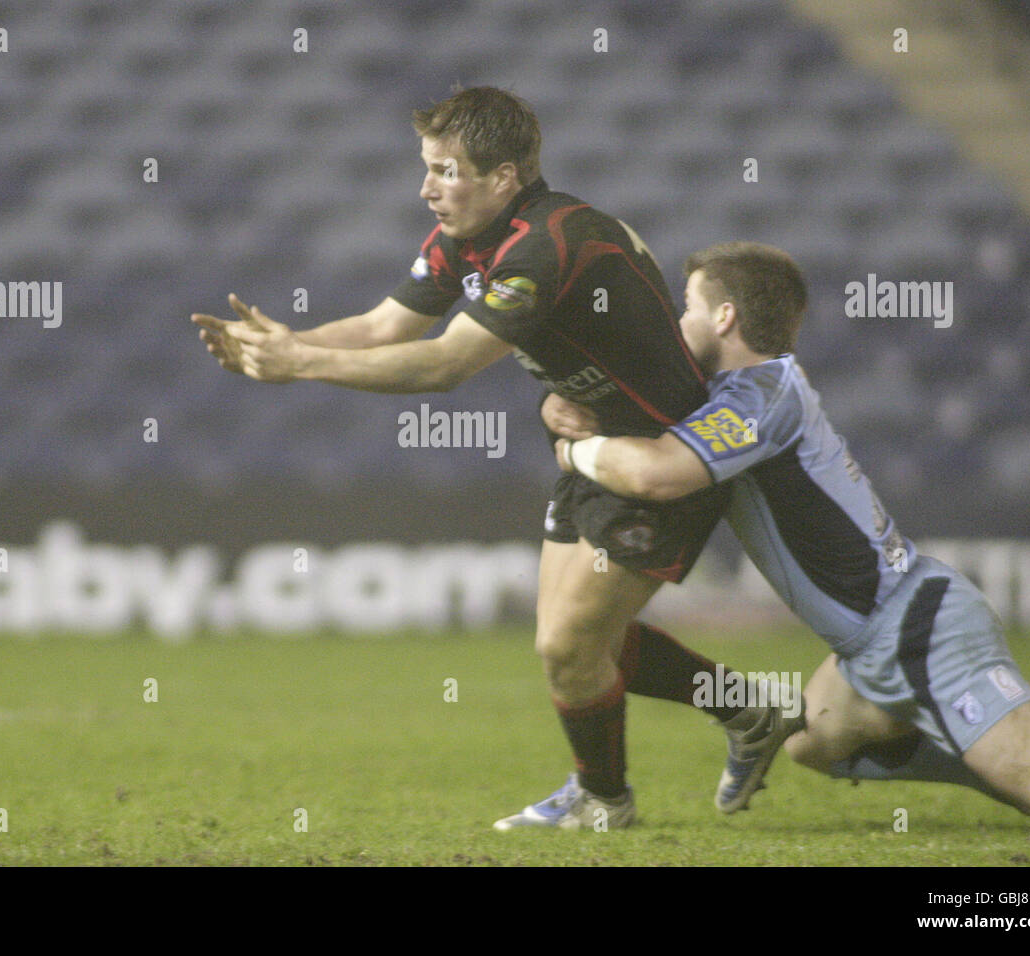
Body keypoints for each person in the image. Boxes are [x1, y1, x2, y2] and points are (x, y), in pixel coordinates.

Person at [192, 87, 783, 830]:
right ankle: (750, 712)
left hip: (666, 459)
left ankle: (606, 802)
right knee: (583, 647)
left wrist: (299, 367)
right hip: (588, 451)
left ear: (504, 178)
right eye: (426, 167)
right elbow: (381, 326)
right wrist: (287, 344)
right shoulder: (464, 239)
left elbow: (444, 365)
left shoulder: (547, 245)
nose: (426, 188)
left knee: (565, 647)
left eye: (445, 170)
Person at [545, 240, 1030, 829]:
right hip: (865, 651)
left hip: (916, 629)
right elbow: (617, 389)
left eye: (688, 306)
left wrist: (575, 450)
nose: (679, 322)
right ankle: (1001, 769)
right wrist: (557, 405)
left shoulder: (763, 393)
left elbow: (657, 474)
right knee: (812, 742)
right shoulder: (731, 396)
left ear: (725, 316)